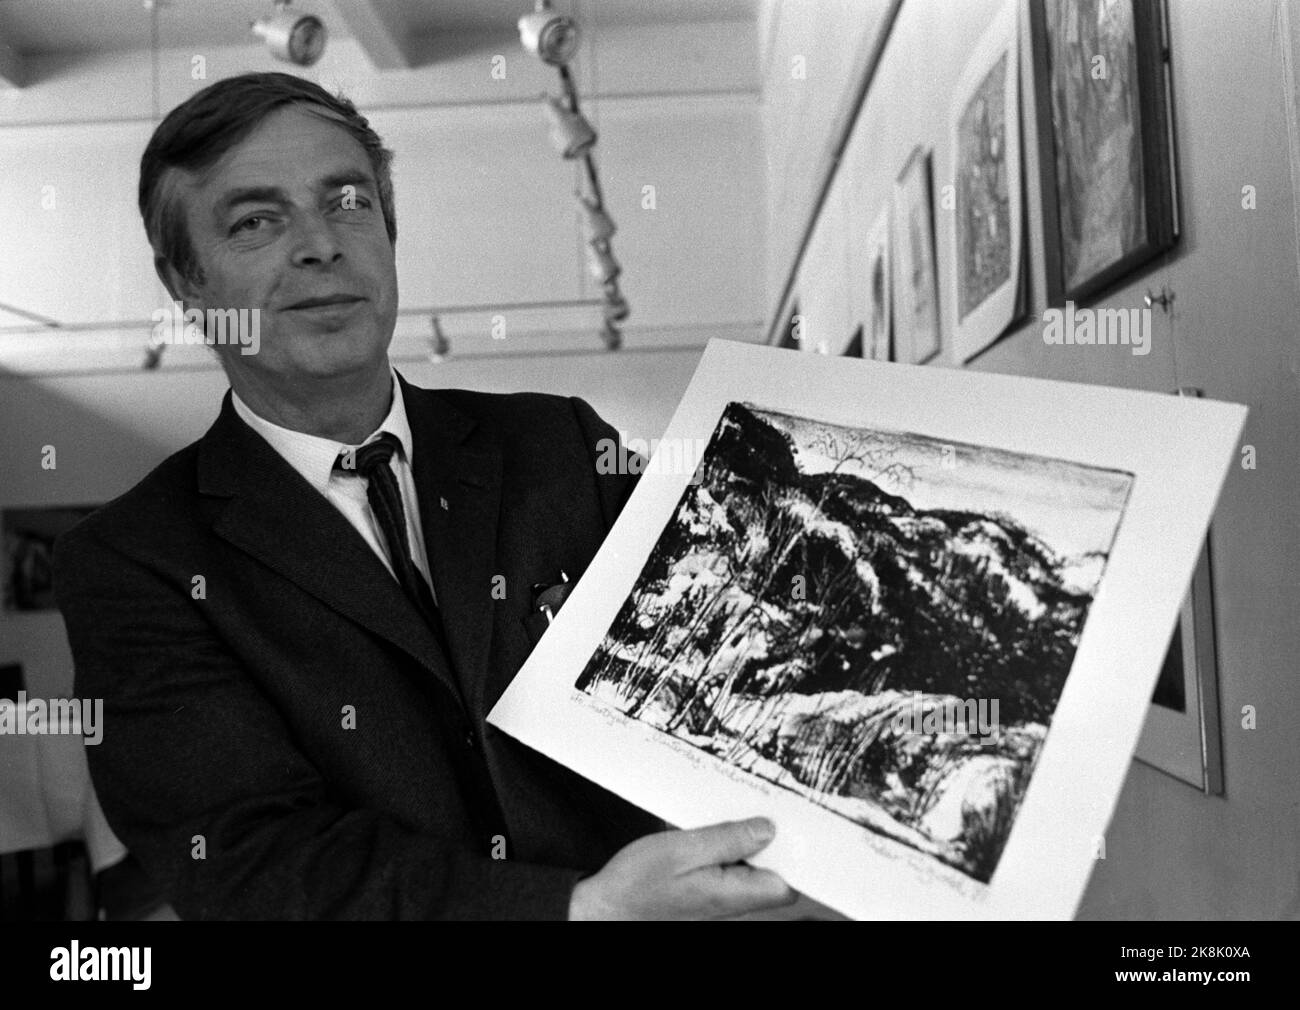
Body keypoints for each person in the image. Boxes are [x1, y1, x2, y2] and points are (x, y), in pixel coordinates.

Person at [53, 72, 796, 920]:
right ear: (186, 283)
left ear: (390, 231)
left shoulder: (561, 447)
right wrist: (581, 912)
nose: (321, 244)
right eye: (257, 220)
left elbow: (730, 666)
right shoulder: (136, 560)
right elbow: (249, 859)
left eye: (348, 201)